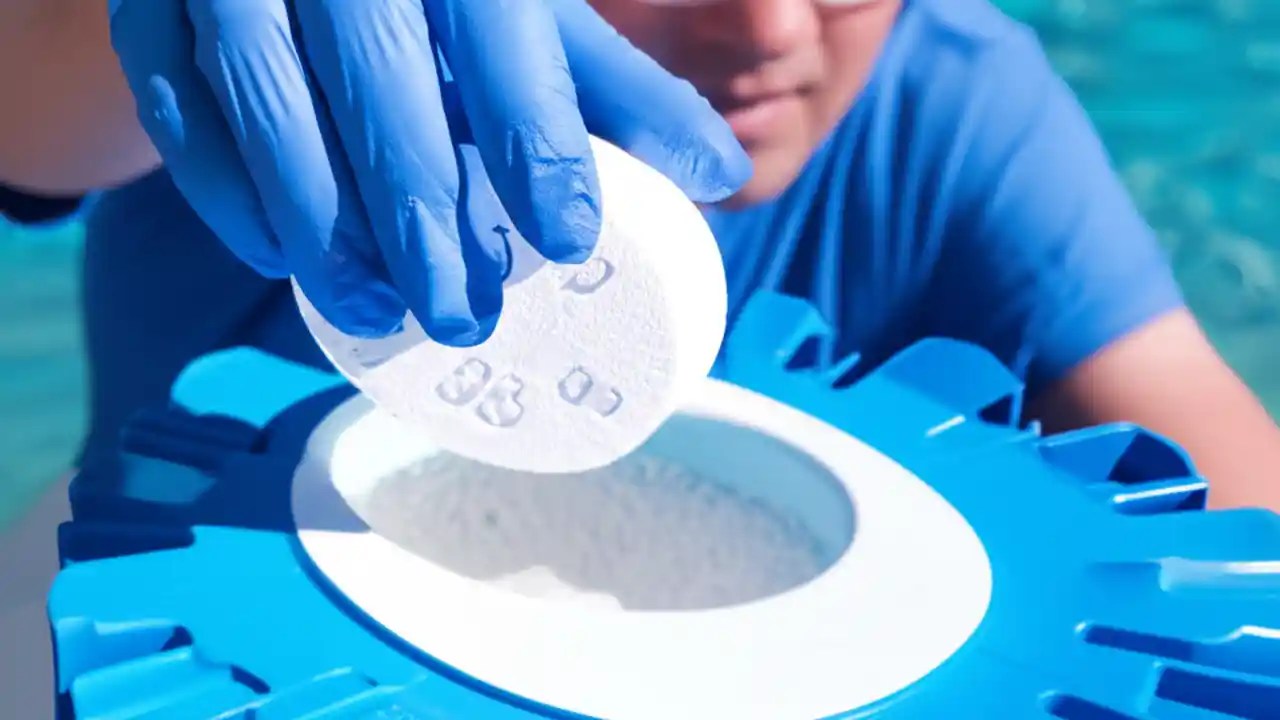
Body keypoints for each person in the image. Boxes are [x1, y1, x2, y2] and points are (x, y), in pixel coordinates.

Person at [3, 0, 1280, 516]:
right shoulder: (325, 68)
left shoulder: (944, 107)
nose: (772, 27)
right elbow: (28, 104)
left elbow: (1222, 492)